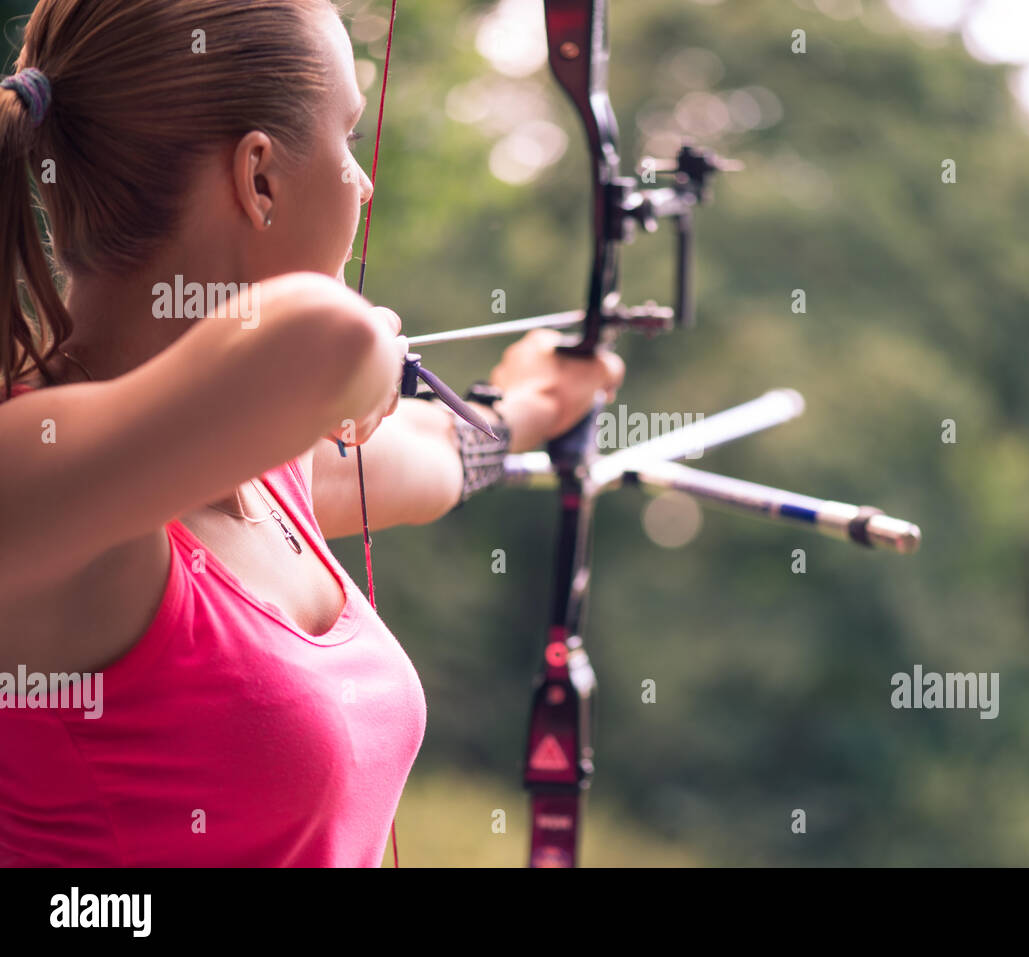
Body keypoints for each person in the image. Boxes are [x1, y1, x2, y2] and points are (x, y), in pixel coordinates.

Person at [0, 0, 623, 866]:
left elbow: (440, 449)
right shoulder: (36, 467)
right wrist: (353, 352)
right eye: (345, 138)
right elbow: (329, 343)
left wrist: (525, 406)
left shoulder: (263, 473)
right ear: (258, 177)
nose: (363, 183)